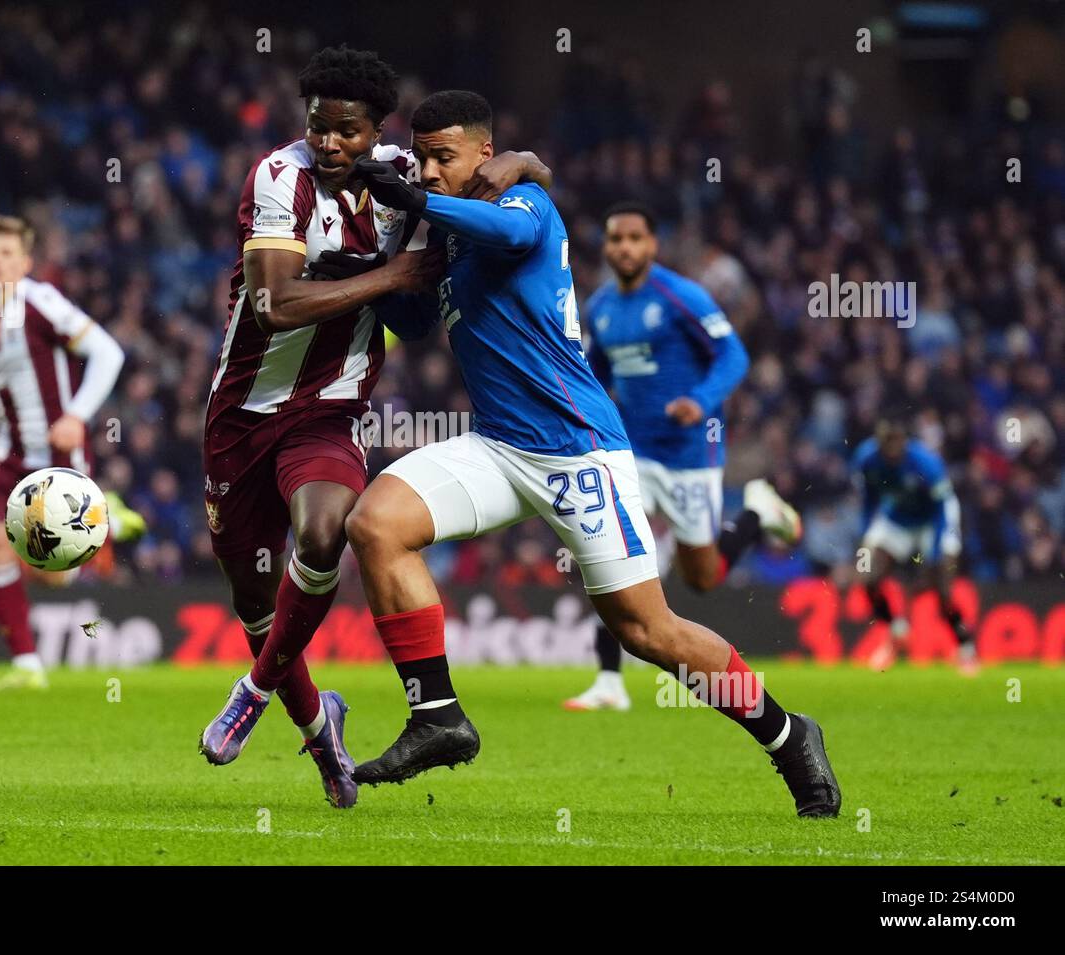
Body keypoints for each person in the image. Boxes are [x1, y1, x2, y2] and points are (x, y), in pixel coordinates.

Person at [342, 90, 840, 818]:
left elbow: (507, 237)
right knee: (375, 522)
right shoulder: (447, 234)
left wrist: (418, 202)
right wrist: (363, 257)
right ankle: (438, 714)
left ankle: (790, 734)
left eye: (444, 157)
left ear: (485, 153)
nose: (430, 170)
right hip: (497, 444)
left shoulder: (524, 206)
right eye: (421, 158)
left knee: (647, 631)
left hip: (577, 450)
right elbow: (414, 317)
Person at [195, 47, 547, 808]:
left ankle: (253, 693)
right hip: (241, 413)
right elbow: (274, 306)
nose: (329, 144)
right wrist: (390, 275)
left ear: (375, 130)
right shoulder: (276, 178)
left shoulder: (402, 175)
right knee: (253, 597)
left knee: (327, 533)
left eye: (347, 132)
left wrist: (518, 158)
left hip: (331, 406)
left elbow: (425, 310)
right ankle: (323, 734)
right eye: (318, 127)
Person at [565, 201, 801, 711]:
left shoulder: (680, 296)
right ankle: (608, 681)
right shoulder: (602, 307)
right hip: (629, 451)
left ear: (651, 246)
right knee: (612, 552)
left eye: (634, 238)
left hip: (689, 455)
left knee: (704, 578)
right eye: (616, 239)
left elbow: (732, 353)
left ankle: (759, 513)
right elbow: (597, 374)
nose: (624, 247)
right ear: (607, 248)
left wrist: (701, 399)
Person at [0, 215, 125, 691]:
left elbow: (108, 352)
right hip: (9, 455)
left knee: (52, 576)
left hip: (58, 458)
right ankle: (26, 666)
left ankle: (111, 522)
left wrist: (77, 414)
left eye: (6, 253)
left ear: (24, 262)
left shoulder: (42, 302)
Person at [852, 419, 977, 675]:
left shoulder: (926, 463)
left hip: (934, 520)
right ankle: (895, 630)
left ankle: (965, 647)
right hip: (897, 517)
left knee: (944, 589)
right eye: (886, 442)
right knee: (867, 576)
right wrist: (867, 531)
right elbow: (869, 498)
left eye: (896, 441)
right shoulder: (867, 459)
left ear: (904, 441)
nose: (891, 448)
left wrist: (934, 551)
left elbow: (942, 508)